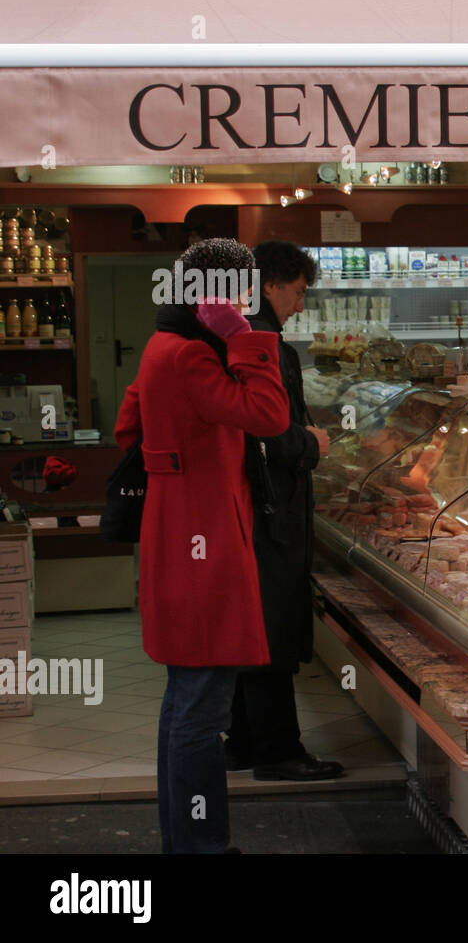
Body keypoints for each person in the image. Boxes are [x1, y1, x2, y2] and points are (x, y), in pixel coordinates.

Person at [115, 238, 289, 853]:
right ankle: (200, 849)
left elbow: (125, 427)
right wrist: (244, 338)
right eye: (242, 291)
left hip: (176, 526)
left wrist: (173, 457)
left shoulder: (162, 346)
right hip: (204, 538)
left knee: (184, 700)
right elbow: (269, 415)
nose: (246, 302)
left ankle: (185, 842)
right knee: (201, 710)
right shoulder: (194, 354)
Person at [223, 241, 343, 781]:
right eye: (297, 292)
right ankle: (277, 750)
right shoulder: (264, 346)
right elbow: (268, 435)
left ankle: (246, 739)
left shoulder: (226, 336)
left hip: (244, 505)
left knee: (252, 621)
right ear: (271, 284)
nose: (299, 305)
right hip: (270, 506)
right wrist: (312, 444)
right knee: (271, 623)